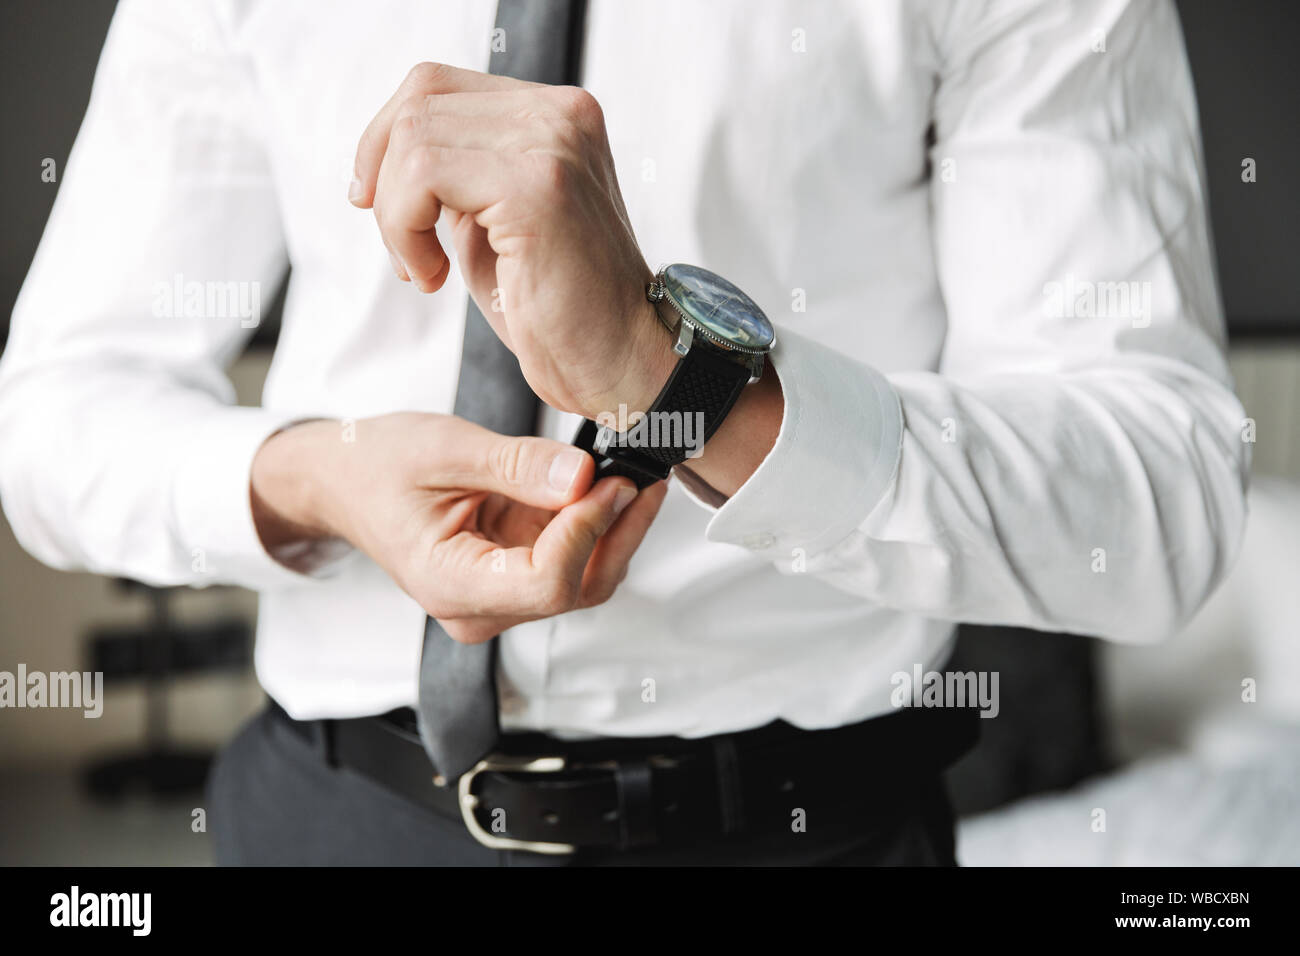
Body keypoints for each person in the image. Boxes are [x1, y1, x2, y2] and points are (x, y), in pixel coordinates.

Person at [0, 0, 1247, 865]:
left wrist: (677, 379)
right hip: (333, 821)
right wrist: (315, 480)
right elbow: (52, 412)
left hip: (813, 834)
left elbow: (1160, 499)